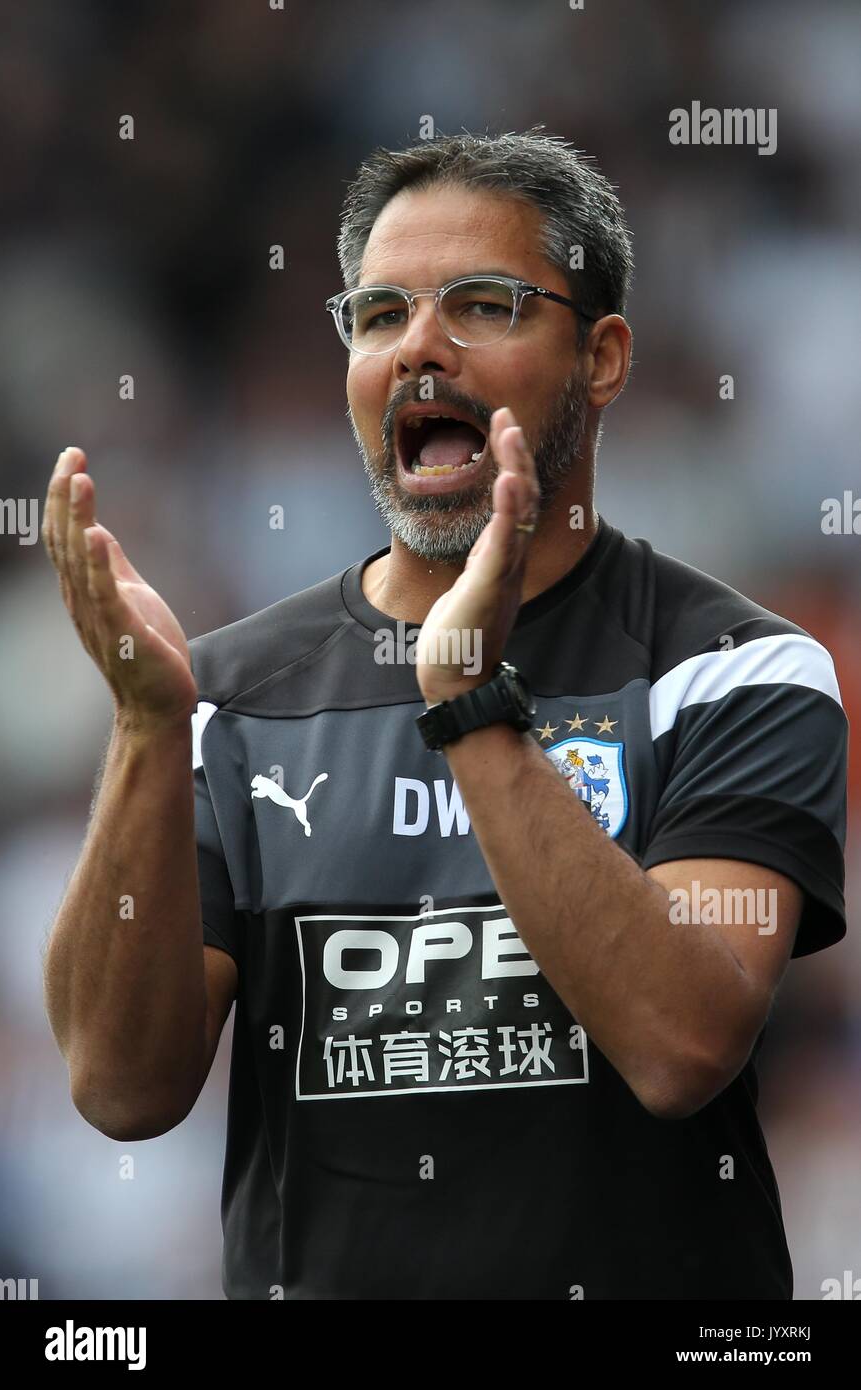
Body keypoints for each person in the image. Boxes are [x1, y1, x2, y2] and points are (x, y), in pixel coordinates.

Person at [42, 129, 848, 1300]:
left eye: (482, 304)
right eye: (377, 316)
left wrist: (466, 696)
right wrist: (148, 732)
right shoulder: (225, 697)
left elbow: (680, 1042)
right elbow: (122, 1089)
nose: (417, 346)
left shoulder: (730, 672)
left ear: (602, 356)